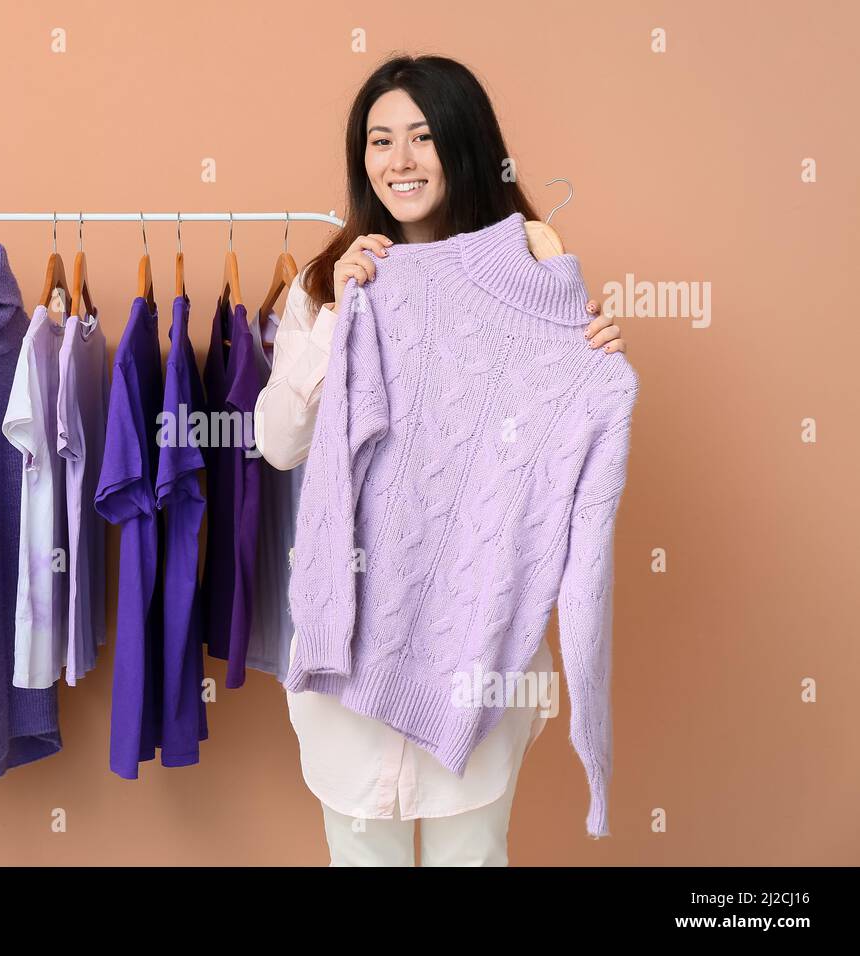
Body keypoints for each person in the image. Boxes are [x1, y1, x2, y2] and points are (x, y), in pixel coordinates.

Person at [254, 54, 627, 867]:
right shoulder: (325, 287)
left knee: (473, 858)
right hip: (348, 650)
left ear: (465, 146)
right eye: (380, 140)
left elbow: (557, 450)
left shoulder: (534, 283)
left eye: (422, 137)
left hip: (480, 656)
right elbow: (277, 442)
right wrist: (336, 327)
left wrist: (585, 351)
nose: (399, 161)